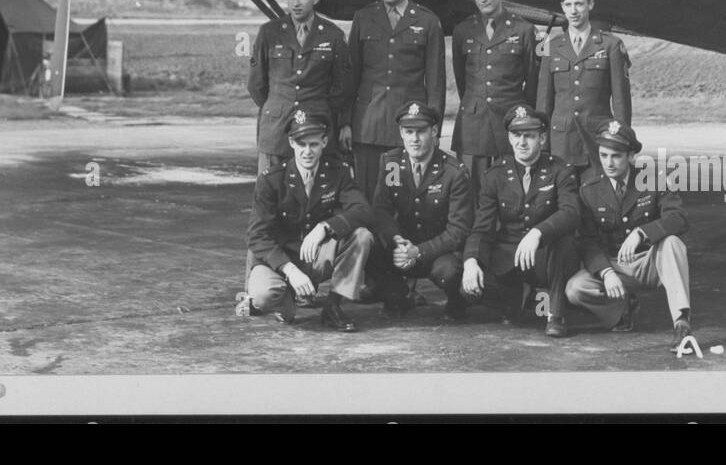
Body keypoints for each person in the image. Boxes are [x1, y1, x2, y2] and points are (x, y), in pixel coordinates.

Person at [239, 108, 374, 331]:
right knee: (264, 296)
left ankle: (333, 306)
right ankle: (287, 304)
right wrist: (290, 270)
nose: (307, 152)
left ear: (324, 142)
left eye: (313, 144)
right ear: (291, 143)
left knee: (362, 237)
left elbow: (363, 210)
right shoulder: (272, 180)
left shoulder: (337, 172)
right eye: (301, 144)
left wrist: (325, 227)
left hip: (316, 257)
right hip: (280, 262)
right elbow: (256, 236)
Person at [564, 122, 692, 349]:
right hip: (615, 266)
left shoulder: (653, 180)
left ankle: (681, 323)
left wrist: (642, 233)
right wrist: (606, 273)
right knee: (575, 289)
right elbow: (587, 241)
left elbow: (678, 218)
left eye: (616, 156)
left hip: (650, 262)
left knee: (672, 243)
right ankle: (623, 307)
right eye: (604, 155)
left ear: (631, 156)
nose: (609, 163)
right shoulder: (589, 191)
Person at [461, 105, 580, 338]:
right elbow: (482, 227)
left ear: (542, 138)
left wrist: (538, 232)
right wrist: (471, 262)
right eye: (516, 135)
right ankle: (517, 299)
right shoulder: (495, 174)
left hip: (546, 256)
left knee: (562, 240)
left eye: (529, 136)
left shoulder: (560, 169)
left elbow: (571, 212)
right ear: (509, 137)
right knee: (467, 287)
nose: (522, 142)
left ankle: (556, 314)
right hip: (510, 257)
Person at [341, 0, 447, 203]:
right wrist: (345, 122)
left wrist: (433, 129)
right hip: (367, 125)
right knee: (366, 197)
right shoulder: (364, 17)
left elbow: (435, 83)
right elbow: (350, 76)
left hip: (408, 127)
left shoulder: (427, 21)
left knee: (402, 198)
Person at [370, 101, 472, 321]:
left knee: (449, 272)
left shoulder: (453, 172)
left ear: (434, 131)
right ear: (401, 133)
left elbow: (458, 230)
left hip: (437, 253)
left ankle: (456, 301)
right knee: (370, 247)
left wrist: (419, 251)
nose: (414, 139)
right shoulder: (392, 164)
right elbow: (381, 210)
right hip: (402, 248)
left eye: (421, 132)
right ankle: (398, 296)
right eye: (409, 132)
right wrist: (397, 241)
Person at [247, 0, 353, 175]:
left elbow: (342, 86)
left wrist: (321, 109)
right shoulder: (269, 32)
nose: (295, 3)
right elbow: (256, 85)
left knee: (314, 189)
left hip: (315, 130)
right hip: (276, 131)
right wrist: (278, 105)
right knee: (271, 188)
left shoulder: (333, 35)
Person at [450, 0, 539, 199]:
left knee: (510, 194)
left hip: (509, 125)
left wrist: (523, 119)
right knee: (470, 195)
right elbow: (462, 81)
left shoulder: (524, 30)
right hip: (472, 127)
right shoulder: (462, 30)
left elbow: (533, 82)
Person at [536, 0, 632, 173]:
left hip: (597, 143)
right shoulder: (551, 47)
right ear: (562, 8)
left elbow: (621, 101)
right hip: (561, 144)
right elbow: (544, 101)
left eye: (579, 4)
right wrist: (542, 145)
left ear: (591, 4)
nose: (573, 11)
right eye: (568, 5)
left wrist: (621, 141)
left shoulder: (611, 45)